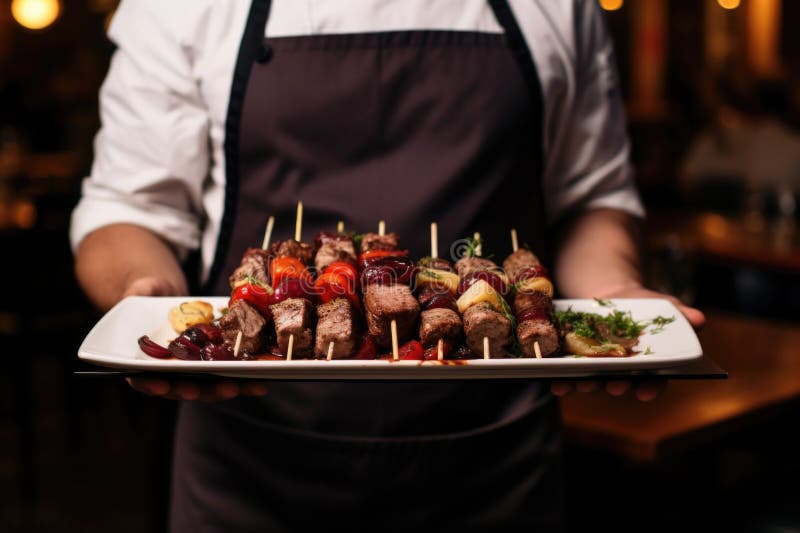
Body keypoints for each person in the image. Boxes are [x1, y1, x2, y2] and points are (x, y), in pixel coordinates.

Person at [71, 1, 705, 530]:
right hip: (248, 468)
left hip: (496, 468)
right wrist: (143, 291)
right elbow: (126, 208)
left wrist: (614, 293)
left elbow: (592, 198)